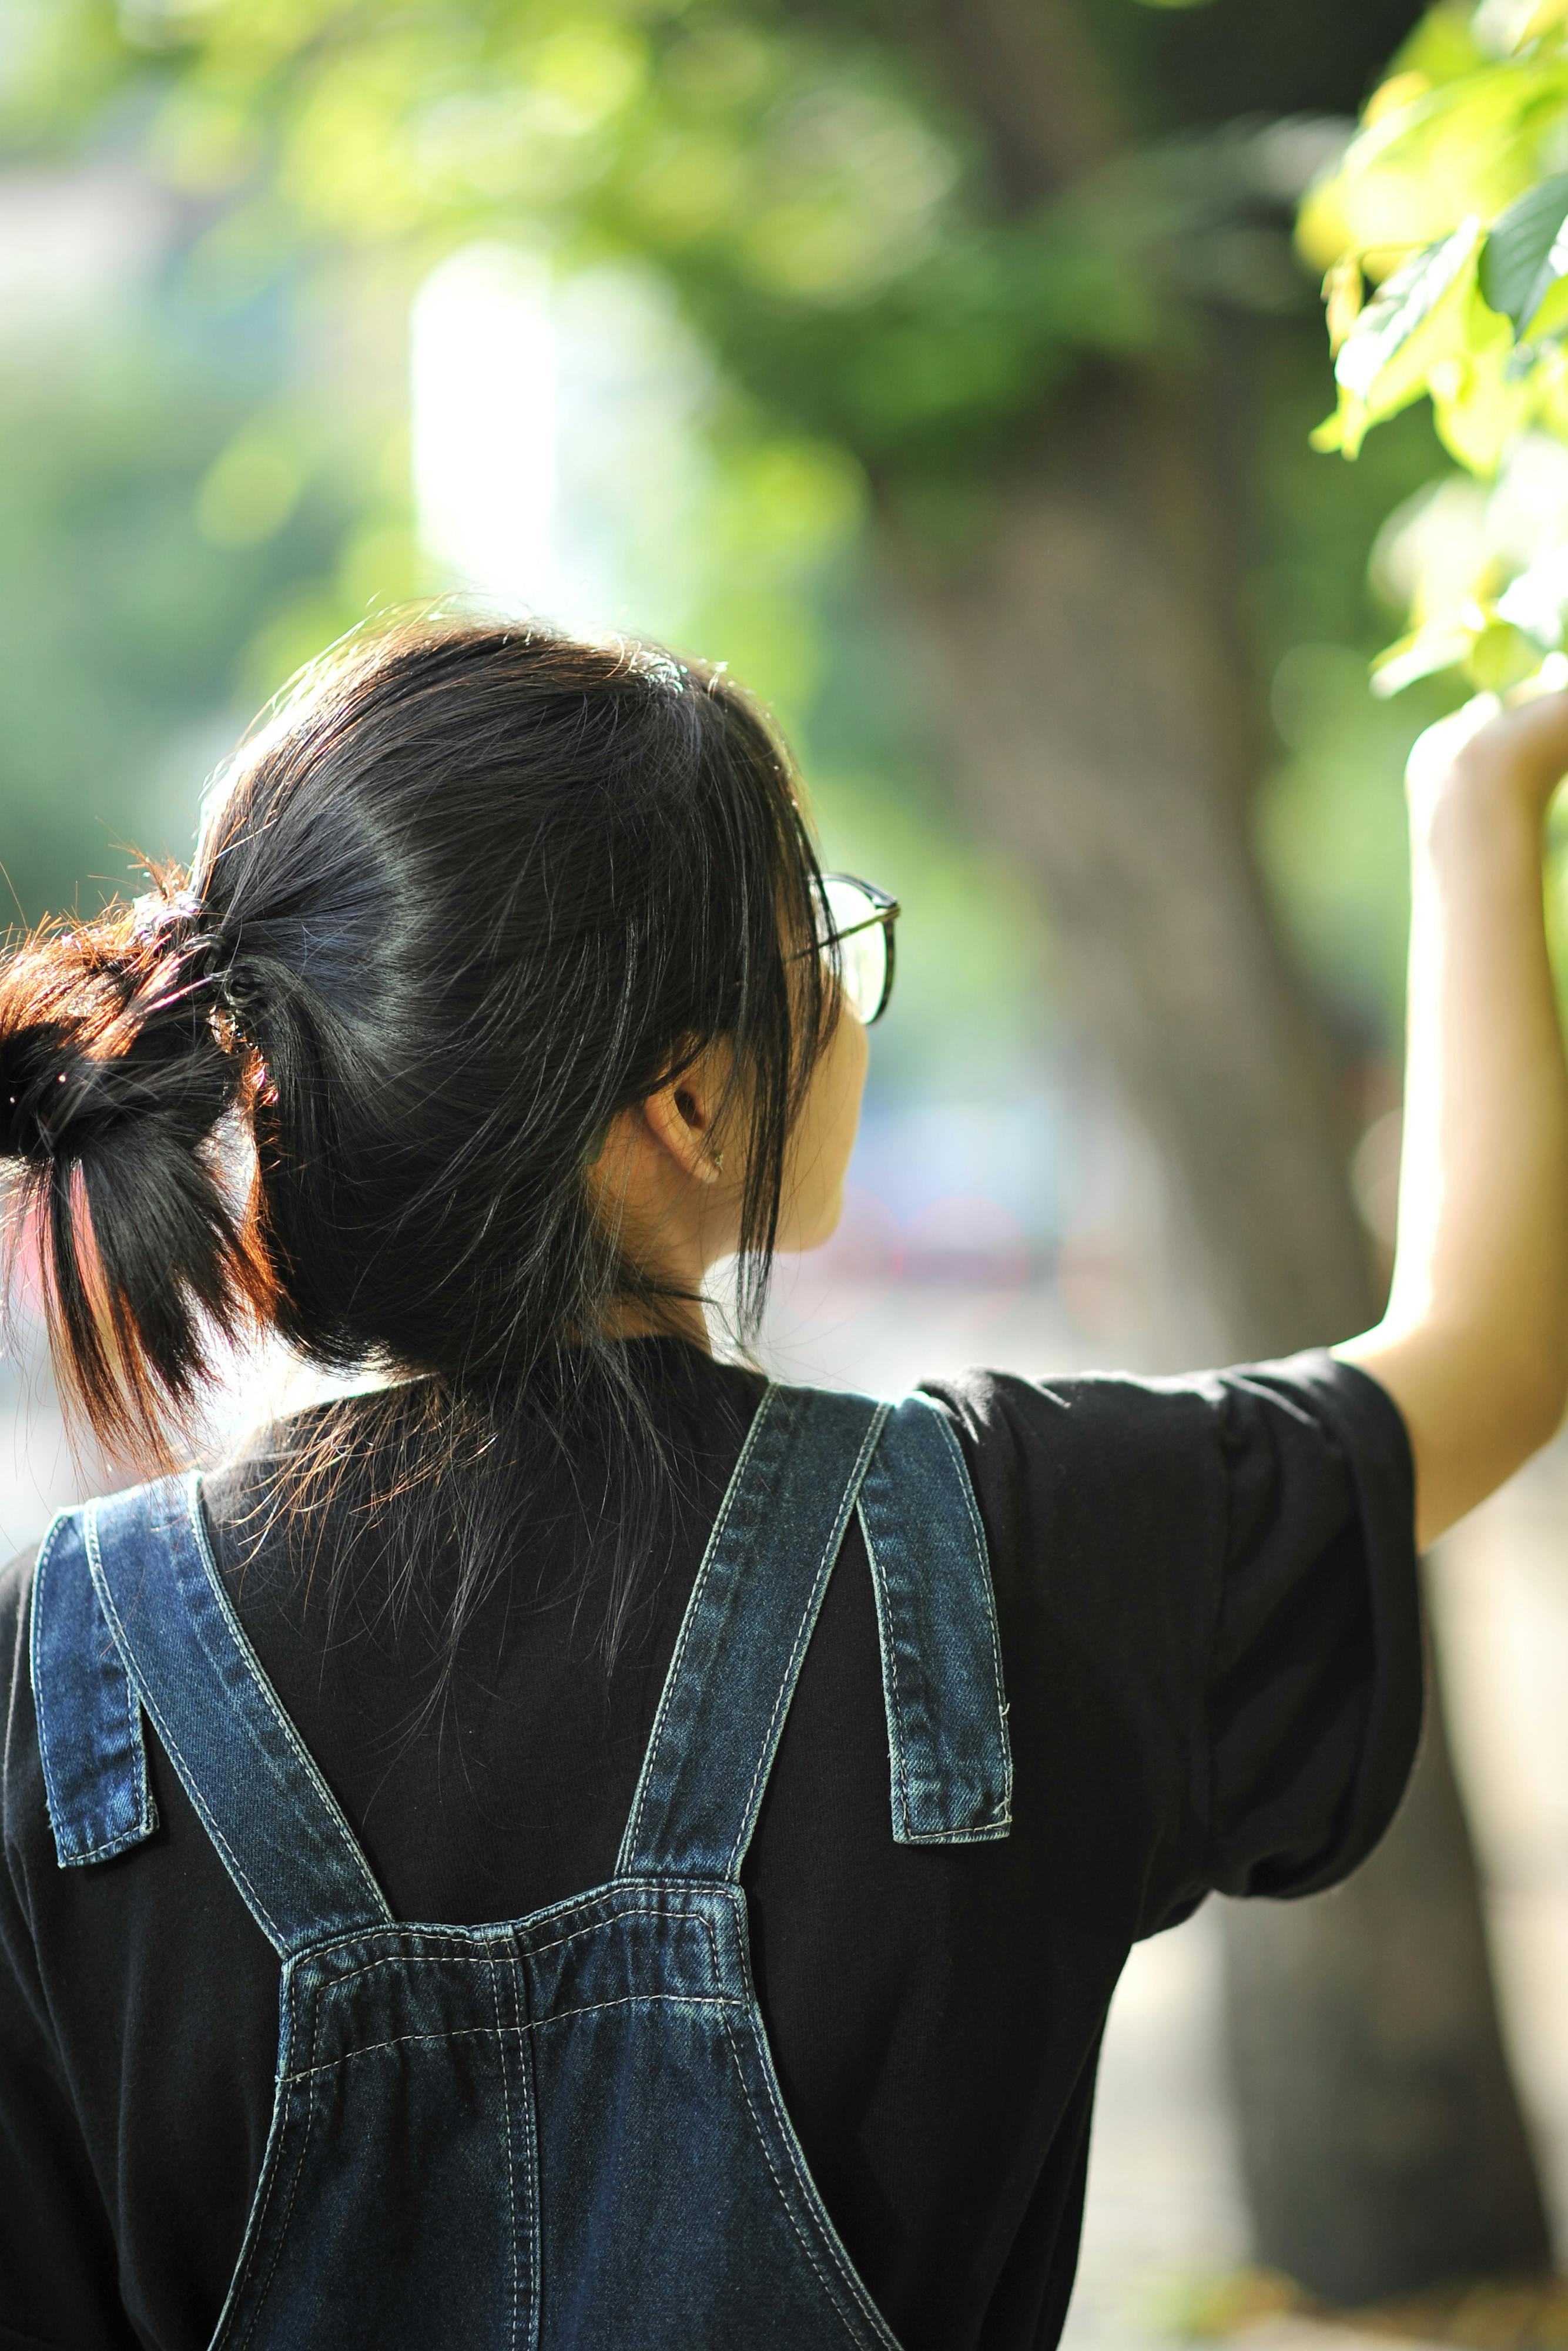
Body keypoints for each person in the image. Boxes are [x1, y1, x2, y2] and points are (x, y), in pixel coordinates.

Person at [0, 618, 1564, 2351]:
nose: (836, 995)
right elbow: (1488, 1359)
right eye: (812, 942)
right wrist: (1476, 794)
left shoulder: (64, 1677)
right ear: (683, 1094)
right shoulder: (990, 1543)